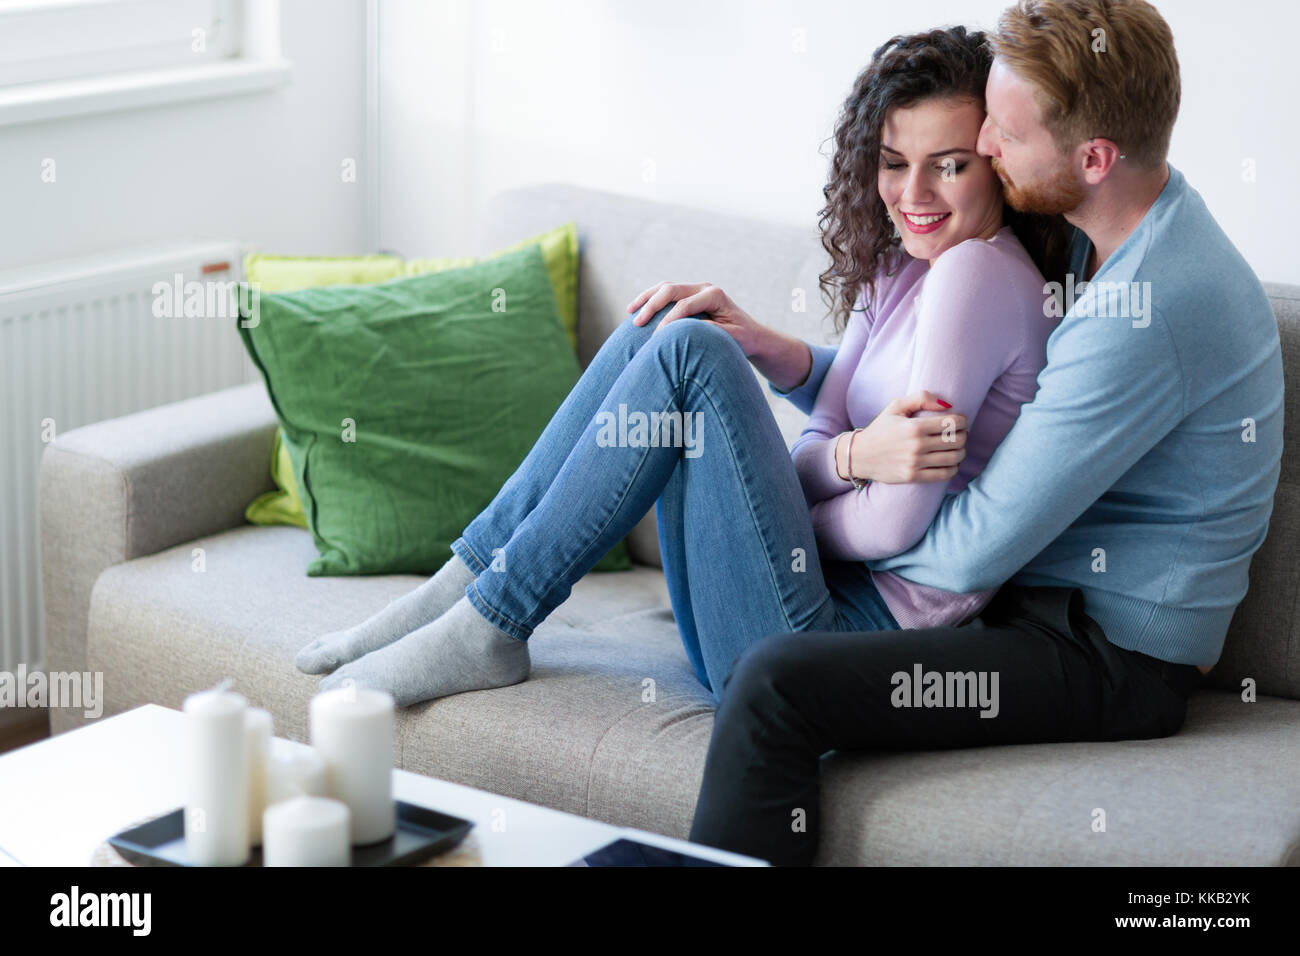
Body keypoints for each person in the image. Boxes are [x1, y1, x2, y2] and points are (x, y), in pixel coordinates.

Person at [291, 26, 1071, 711]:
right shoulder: (902, 269)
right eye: (894, 163)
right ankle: (464, 586)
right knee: (671, 325)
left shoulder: (977, 276)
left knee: (692, 353)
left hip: (833, 648)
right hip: (761, 618)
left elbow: (895, 523)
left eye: (950, 166)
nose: (912, 195)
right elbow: (823, 436)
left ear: (996, 165)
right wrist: (845, 457)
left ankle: (492, 620)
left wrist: (799, 492)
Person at [688, 0, 1284, 866]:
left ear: (1093, 157)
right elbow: (933, 399)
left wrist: (782, 512)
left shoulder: (1146, 309)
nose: (989, 148)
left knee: (776, 684)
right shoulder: (1108, 232)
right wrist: (801, 370)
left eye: (1005, 132)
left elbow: (969, 552)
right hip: (1040, 607)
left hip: (1106, 654)